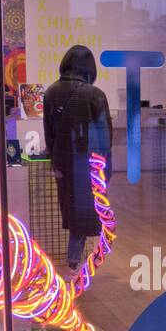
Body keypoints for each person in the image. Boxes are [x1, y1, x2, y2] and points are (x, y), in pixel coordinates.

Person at [42, 45, 112, 270]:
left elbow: (48, 133)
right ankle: (78, 260)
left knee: (73, 209)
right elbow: (104, 135)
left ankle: (75, 259)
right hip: (90, 163)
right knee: (88, 210)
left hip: (64, 162)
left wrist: (55, 162)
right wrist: (105, 167)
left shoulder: (51, 92)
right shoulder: (95, 94)